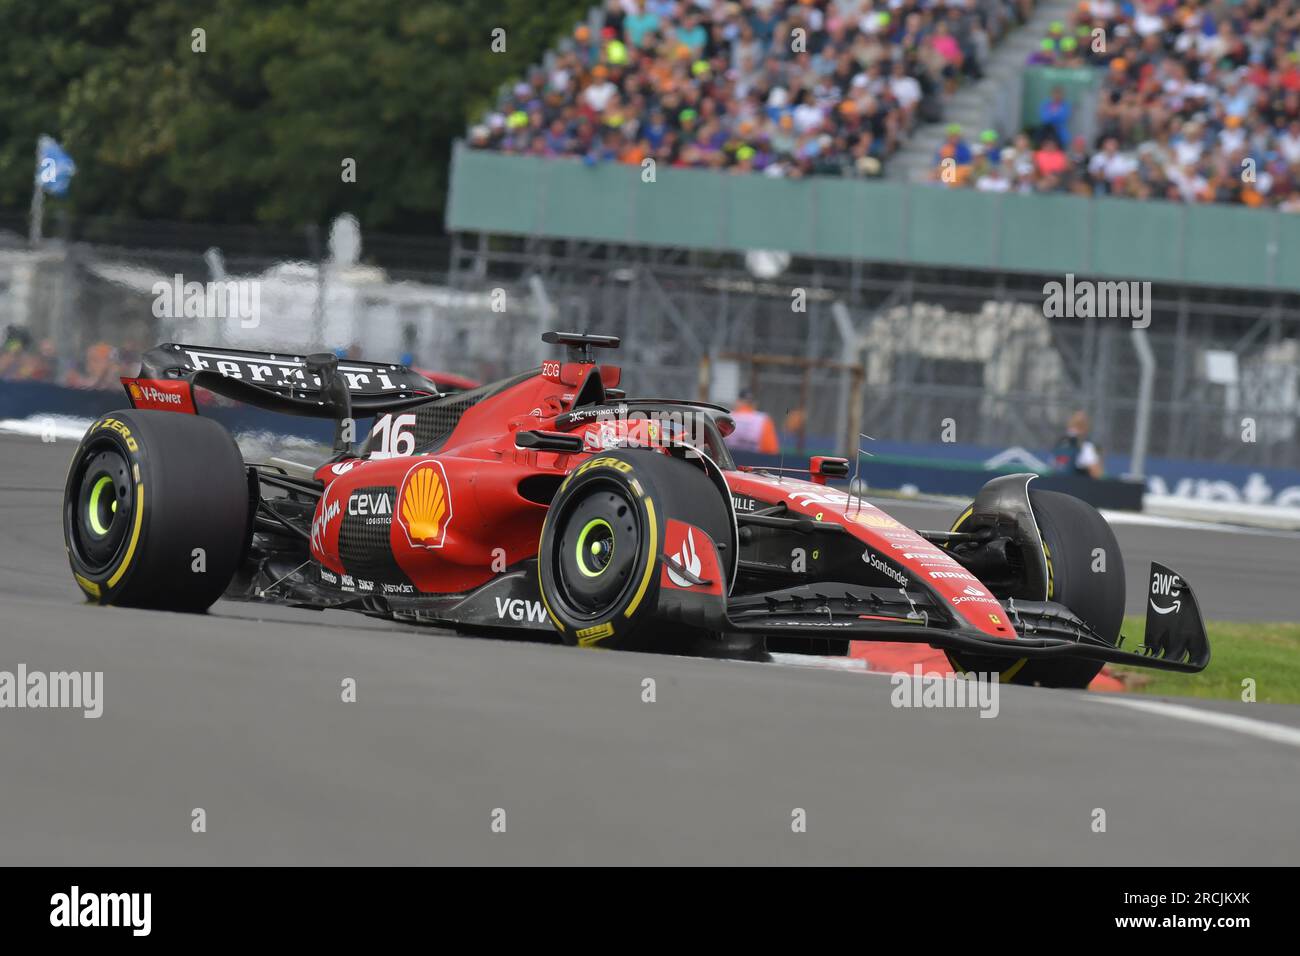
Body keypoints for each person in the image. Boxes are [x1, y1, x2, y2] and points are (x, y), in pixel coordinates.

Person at [1052, 410, 1103, 478]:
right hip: (1075, 485)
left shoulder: (1060, 442)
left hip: (1056, 483)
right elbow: (1097, 473)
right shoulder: (1084, 445)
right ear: (1085, 427)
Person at [726, 390, 779, 454]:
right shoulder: (764, 419)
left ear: (737, 402)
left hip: (726, 460)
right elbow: (771, 450)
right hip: (754, 461)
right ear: (754, 404)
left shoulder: (726, 417)